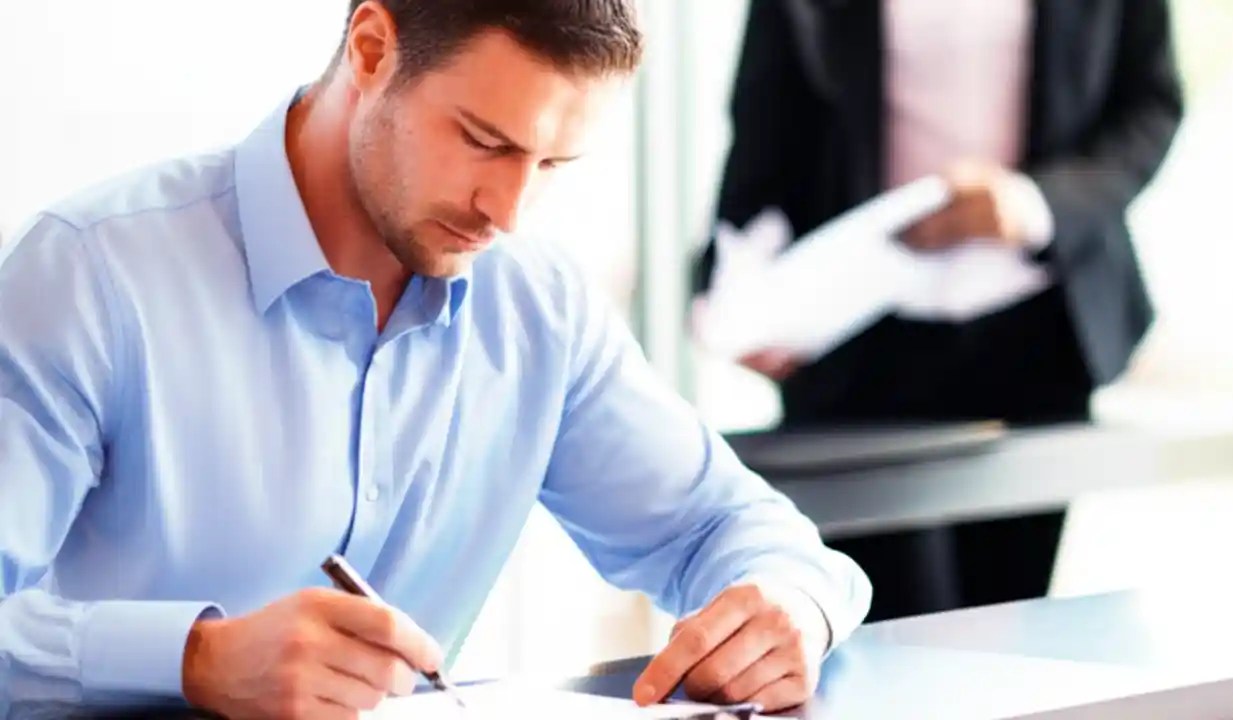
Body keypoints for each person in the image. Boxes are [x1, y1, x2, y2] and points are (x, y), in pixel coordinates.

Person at [0, 2, 872, 717]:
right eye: (485, 142)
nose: (510, 210)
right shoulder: (93, 273)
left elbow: (727, 529)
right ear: (371, 48)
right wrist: (196, 659)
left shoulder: (535, 305)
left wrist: (795, 609)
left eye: (553, 163)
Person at [697, 0, 1182, 621]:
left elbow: (1150, 104)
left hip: (1036, 335)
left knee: (1013, 629)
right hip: (858, 342)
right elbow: (764, 122)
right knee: (883, 629)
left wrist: (1037, 204)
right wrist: (740, 290)